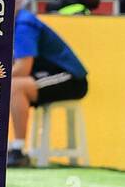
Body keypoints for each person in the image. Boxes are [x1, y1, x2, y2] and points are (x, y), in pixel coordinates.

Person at [7, 9, 89, 167]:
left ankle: (18, 151)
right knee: (12, 85)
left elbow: (22, 68)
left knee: (15, 87)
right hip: (45, 75)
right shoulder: (9, 25)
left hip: (71, 78)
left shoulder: (24, 24)